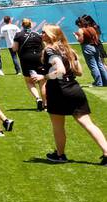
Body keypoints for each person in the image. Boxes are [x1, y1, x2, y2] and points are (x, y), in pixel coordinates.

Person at [39, 24, 107, 165]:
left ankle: (60, 155)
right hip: (74, 89)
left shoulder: (50, 51)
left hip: (58, 90)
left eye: (44, 33)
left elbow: (61, 70)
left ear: (52, 35)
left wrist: (45, 77)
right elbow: (79, 72)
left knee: (58, 125)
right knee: (87, 123)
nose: (42, 35)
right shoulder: (69, 49)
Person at [12, 17, 47, 110]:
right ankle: (45, 104)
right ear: (31, 25)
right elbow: (44, 46)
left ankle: (38, 98)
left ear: (22, 25)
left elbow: (14, 49)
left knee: (29, 81)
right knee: (42, 82)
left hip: (25, 59)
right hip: (39, 58)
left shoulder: (18, 35)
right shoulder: (37, 34)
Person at [75, 16, 106, 88]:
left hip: (87, 47)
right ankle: (105, 81)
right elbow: (97, 38)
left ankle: (99, 83)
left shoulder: (81, 30)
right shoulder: (92, 28)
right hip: (95, 47)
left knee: (93, 66)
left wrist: (76, 36)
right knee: (100, 65)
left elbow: (80, 41)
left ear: (80, 24)